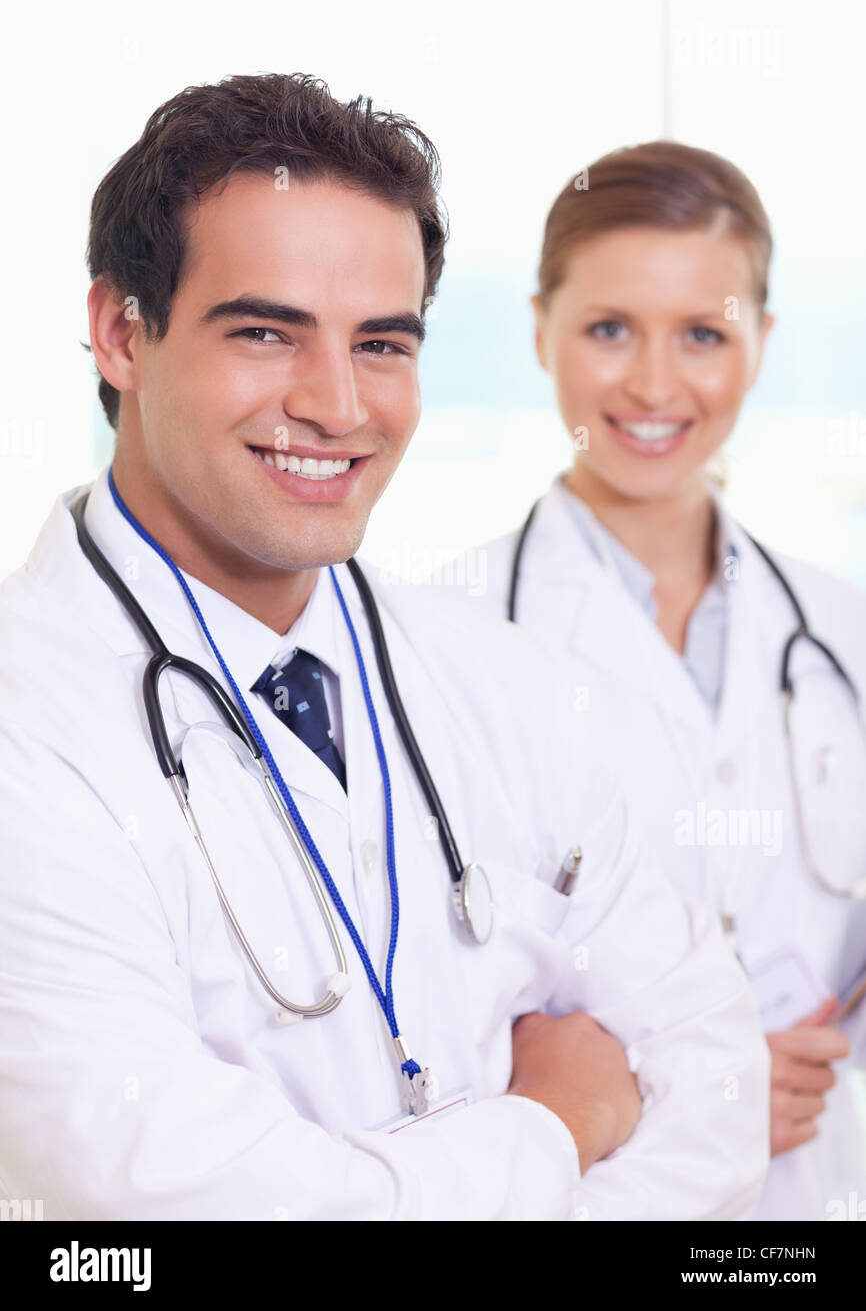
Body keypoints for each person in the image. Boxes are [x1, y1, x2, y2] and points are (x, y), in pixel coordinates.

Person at [0, 83, 768, 1221]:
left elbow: (710, 1077)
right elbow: (184, 1201)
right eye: (266, 332)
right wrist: (555, 1120)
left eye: (381, 343)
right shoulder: (29, 727)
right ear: (123, 332)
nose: (337, 403)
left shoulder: (504, 681)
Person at [463, 141, 866, 1221]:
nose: (651, 383)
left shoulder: (838, 630)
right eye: (607, 329)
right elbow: (414, 1012)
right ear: (539, 327)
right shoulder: (449, 635)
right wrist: (702, 1086)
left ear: (760, 341)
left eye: (701, 333)